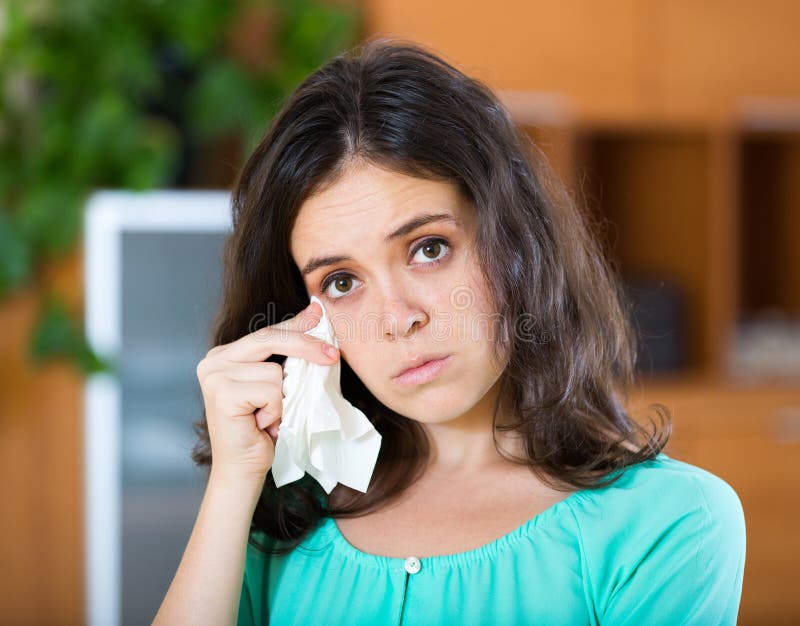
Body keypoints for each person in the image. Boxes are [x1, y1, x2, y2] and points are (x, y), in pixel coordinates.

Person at [153, 38, 746, 625]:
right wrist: (233, 482)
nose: (399, 318)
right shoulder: (280, 517)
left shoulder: (669, 524)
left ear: (514, 241)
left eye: (428, 248)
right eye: (340, 281)